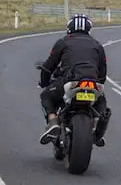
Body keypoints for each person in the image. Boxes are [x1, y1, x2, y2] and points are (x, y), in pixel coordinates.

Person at [38, 14, 111, 147]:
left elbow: (49, 66)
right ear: (89, 29)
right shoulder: (97, 45)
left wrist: (44, 82)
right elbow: (103, 73)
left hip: (69, 81)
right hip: (92, 83)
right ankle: (96, 123)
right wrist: (98, 82)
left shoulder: (63, 42)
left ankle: (53, 121)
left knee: (45, 95)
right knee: (101, 99)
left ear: (69, 28)